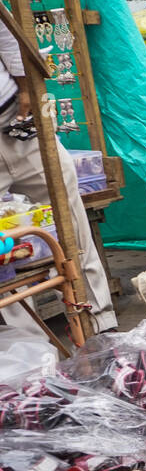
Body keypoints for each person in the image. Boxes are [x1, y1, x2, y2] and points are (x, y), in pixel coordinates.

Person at [0, 25, 117, 334]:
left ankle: (99, 324)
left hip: (16, 119)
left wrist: (25, 87)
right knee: (2, 257)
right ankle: (30, 349)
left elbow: (7, 32)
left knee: (72, 226)